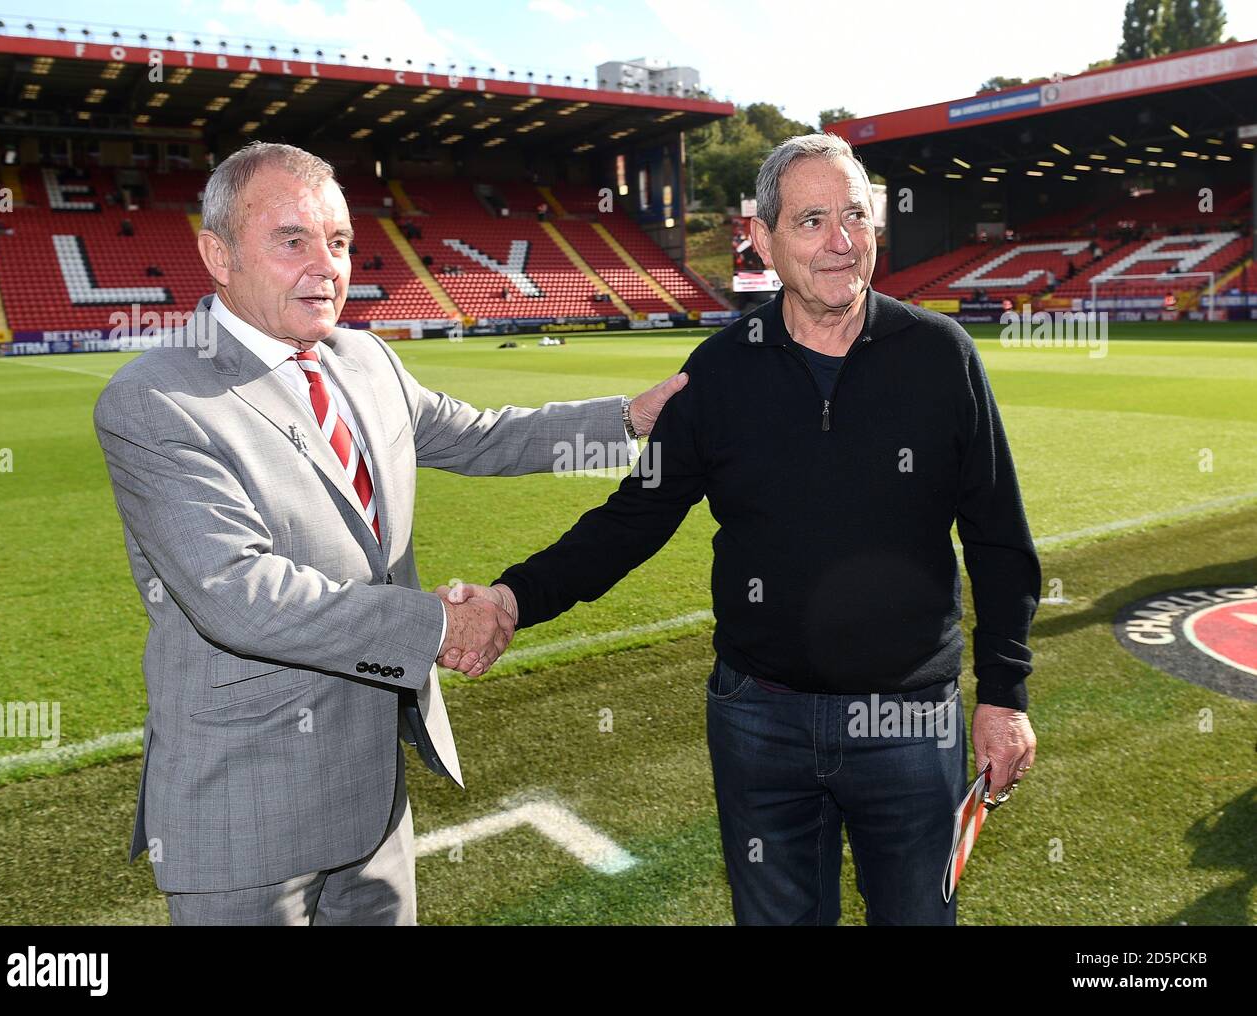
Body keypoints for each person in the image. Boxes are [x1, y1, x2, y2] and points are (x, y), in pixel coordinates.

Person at [446, 134, 1040, 926]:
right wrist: (513, 599)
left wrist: (1003, 694)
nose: (841, 242)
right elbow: (634, 519)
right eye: (813, 220)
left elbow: (1000, 538)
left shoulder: (941, 355)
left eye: (856, 217)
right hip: (760, 721)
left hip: (908, 723)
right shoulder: (722, 371)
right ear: (761, 239)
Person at [92, 141, 687, 926]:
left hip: (374, 788)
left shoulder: (362, 357)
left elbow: (477, 436)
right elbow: (241, 596)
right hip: (246, 803)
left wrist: (624, 419)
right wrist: (442, 625)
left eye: (338, 242)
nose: (326, 265)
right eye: (292, 240)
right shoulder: (155, 401)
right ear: (218, 255)